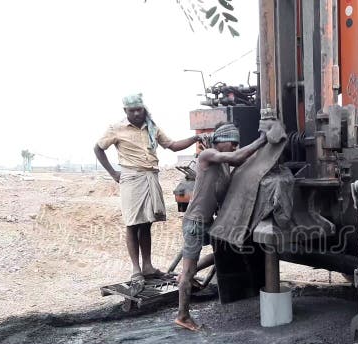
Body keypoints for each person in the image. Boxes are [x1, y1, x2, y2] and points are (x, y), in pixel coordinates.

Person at [94, 93, 201, 286]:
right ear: (125, 111)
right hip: (131, 178)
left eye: (139, 109)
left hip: (150, 177)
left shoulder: (152, 127)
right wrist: (113, 174)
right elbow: (98, 148)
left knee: (147, 223)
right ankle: (136, 270)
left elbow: (173, 146)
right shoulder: (116, 128)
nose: (136, 113)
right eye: (132, 110)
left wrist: (196, 138)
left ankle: (148, 266)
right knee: (133, 223)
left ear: (144, 109)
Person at [176, 123, 267, 331]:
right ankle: (183, 315)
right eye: (232, 143)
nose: (235, 147)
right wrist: (262, 140)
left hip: (207, 222)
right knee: (188, 271)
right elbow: (236, 158)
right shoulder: (208, 155)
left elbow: (236, 163)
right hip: (195, 222)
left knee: (227, 247)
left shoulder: (222, 163)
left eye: (237, 144)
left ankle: (186, 275)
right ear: (221, 141)